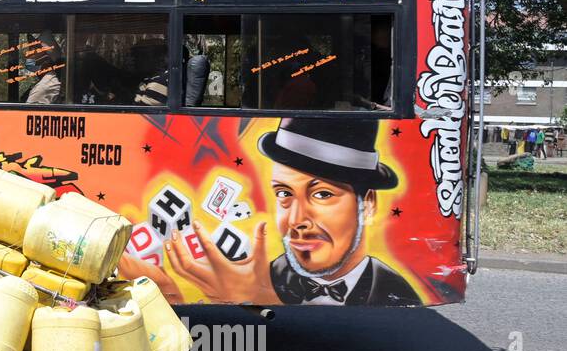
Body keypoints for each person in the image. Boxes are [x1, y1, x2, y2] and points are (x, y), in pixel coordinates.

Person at [166, 117, 420, 306]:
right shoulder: (269, 273)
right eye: (284, 194)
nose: (297, 220)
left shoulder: (395, 290)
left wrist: (252, 296)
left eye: (322, 194)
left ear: (369, 203)